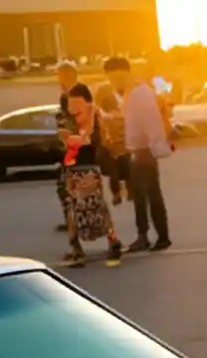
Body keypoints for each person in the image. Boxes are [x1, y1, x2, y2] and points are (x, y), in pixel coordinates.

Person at [106, 56, 172, 253]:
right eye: (112, 78)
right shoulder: (129, 93)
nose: (115, 82)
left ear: (126, 73)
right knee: (141, 195)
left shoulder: (140, 93)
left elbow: (152, 122)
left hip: (144, 151)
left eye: (117, 77)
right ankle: (148, 236)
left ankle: (158, 237)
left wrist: (154, 147)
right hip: (135, 149)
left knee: (150, 194)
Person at [61, 83, 124, 268]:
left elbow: (84, 139)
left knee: (85, 208)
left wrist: (72, 139)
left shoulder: (91, 115)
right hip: (81, 167)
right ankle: (101, 242)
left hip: (84, 166)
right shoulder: (79, 116)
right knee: (85, 208)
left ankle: (87, 246)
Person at [53, 60, 79, 232]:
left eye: (61, 75)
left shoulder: (74, 95)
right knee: (65, 187)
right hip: (71, 148)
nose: (59, 79)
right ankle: (71, 219)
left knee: (68, 187)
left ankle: (73, 220)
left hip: (77, 148)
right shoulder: (67, 95)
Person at [94, 82, 129, 205]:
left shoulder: (101, 115)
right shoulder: (114, 114)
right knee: (121, 171)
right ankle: (122, 192)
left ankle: (118, 193)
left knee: (116, 172)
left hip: (110, 148)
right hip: (114, 147)